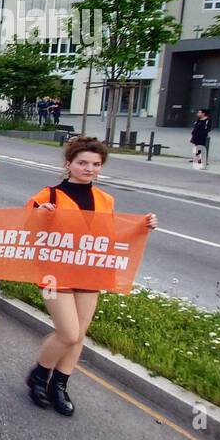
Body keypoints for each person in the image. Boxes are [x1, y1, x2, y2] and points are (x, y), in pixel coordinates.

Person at [23, 138, 157, 417]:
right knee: (68, 333)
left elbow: (107, 238)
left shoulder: (105, 200)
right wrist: (39, 216)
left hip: (89, 272)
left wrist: (140, 228)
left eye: (96, 164)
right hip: (53, 275)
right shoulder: (49, 195)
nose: (89, 169)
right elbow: (23, 229)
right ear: (68, 164)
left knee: (79, 334)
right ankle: (39, 374)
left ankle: (59, 384)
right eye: (82, 162)